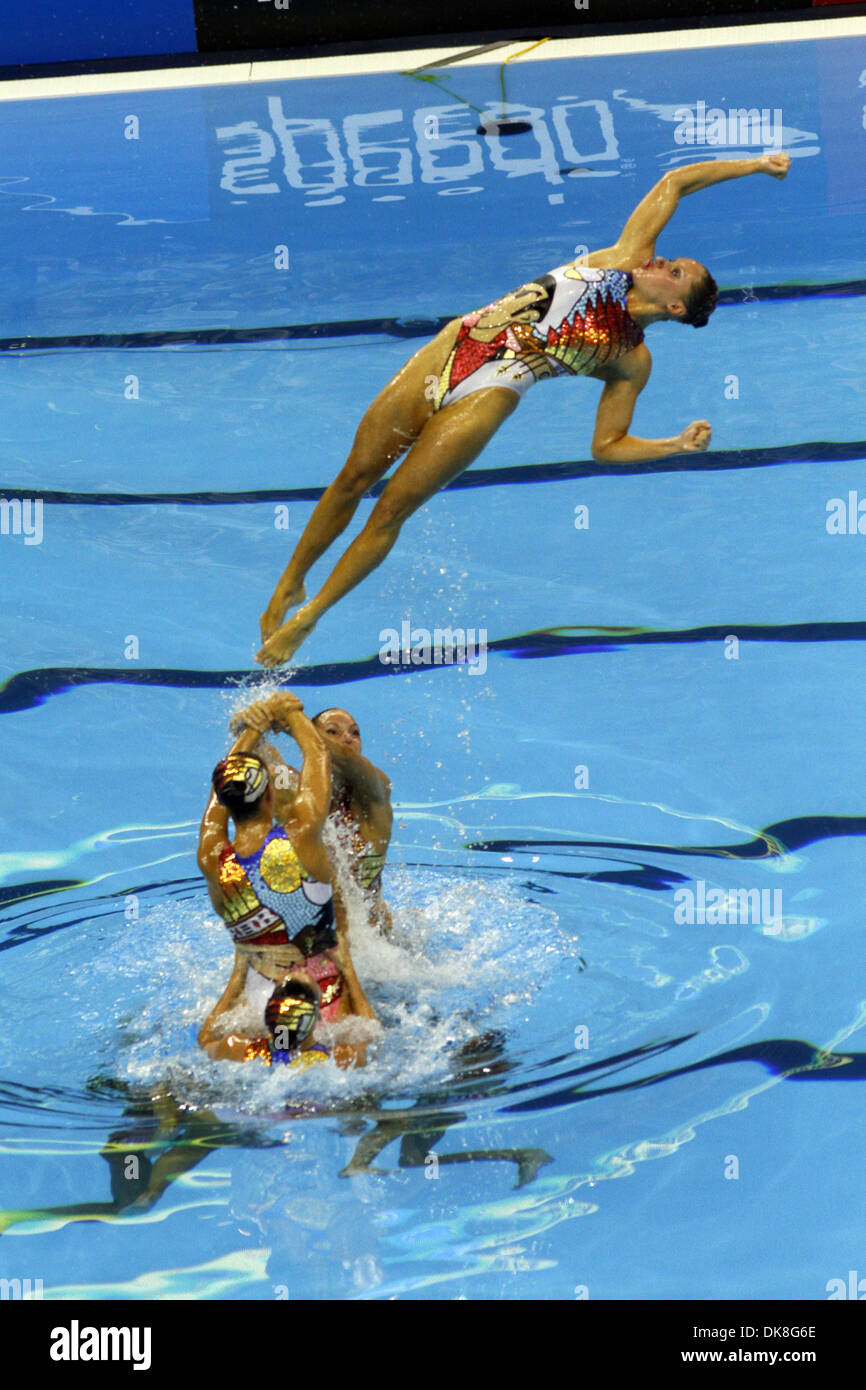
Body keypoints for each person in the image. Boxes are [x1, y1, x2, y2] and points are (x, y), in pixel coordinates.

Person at [256, 151, 791, 668]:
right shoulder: (624, 258)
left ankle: (312, 614)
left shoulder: (631, 361)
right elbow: (675, 182)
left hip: (494, 392)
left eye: (674, 272)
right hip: (454, 346)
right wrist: (755, 165)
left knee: (392, 508)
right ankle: (291, 579)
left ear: (675, 308)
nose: (661, 262)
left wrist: (672, 445)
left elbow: (606, 448)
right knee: (355, 474)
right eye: (671, 261)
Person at [196, 691, 376, 1068]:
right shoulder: (301, 836)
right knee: (345, 1062)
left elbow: (221, 791)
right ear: (269, 799)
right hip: (323, 989)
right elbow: (318, 756)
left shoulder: (212, 856)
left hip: (257, 992)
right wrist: (291, 712)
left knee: (264, 1061)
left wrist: (252, 730)